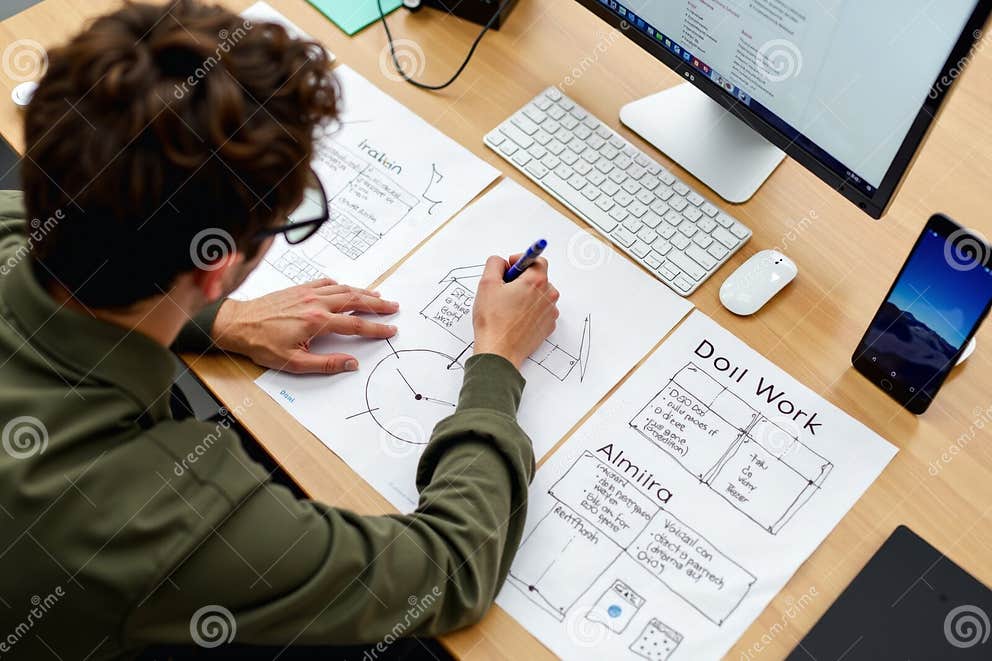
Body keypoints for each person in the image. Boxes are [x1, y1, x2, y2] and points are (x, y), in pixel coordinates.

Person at [0, 1, 560, 658]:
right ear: (218, 265)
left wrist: (220, 317)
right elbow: (448, 569)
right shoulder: (161, 516)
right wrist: (497, 359)